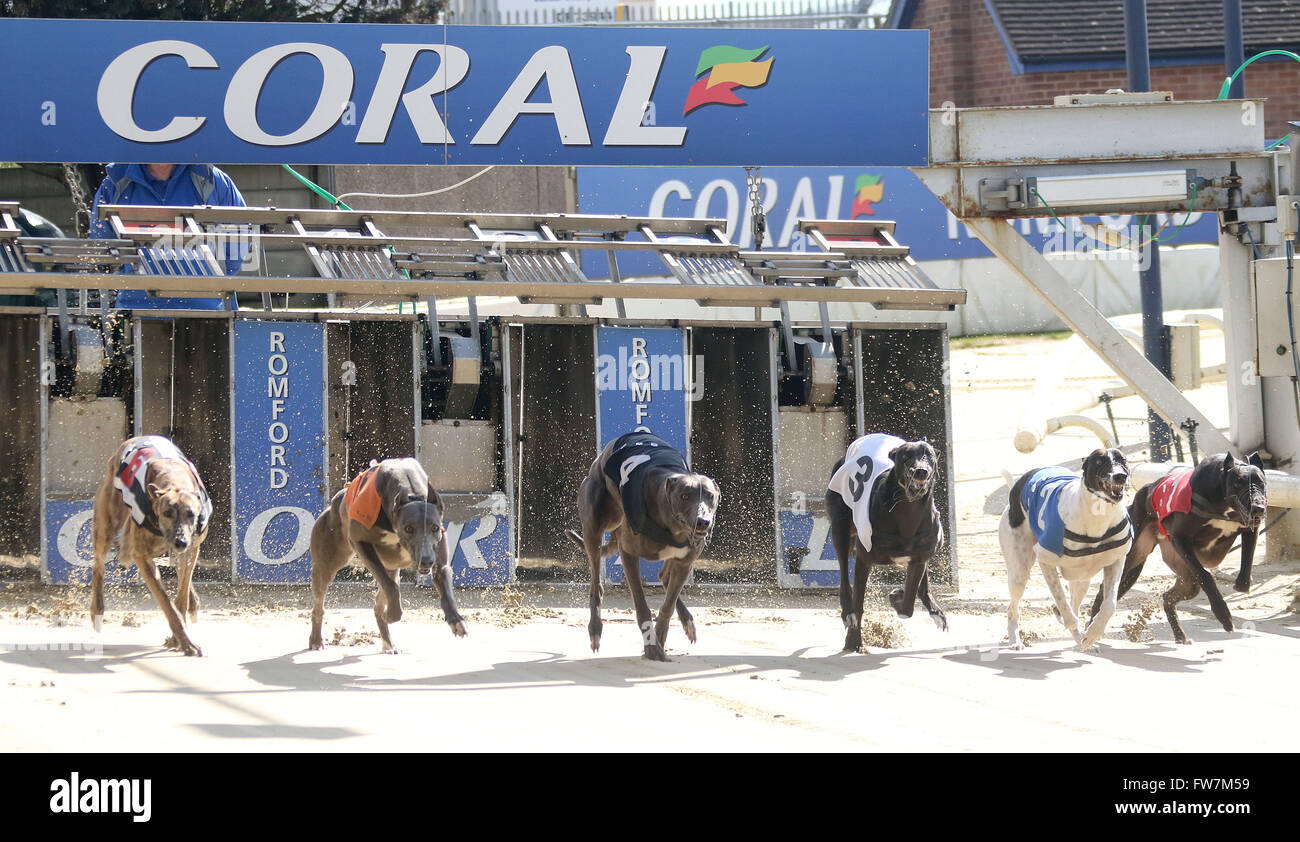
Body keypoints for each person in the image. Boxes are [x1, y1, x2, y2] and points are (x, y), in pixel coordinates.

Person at [89, 163, 248, 310]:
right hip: (137, 308)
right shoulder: (115, 183)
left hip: (206, 309)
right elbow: (103, 250)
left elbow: (236, 247)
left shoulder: (212, 180)